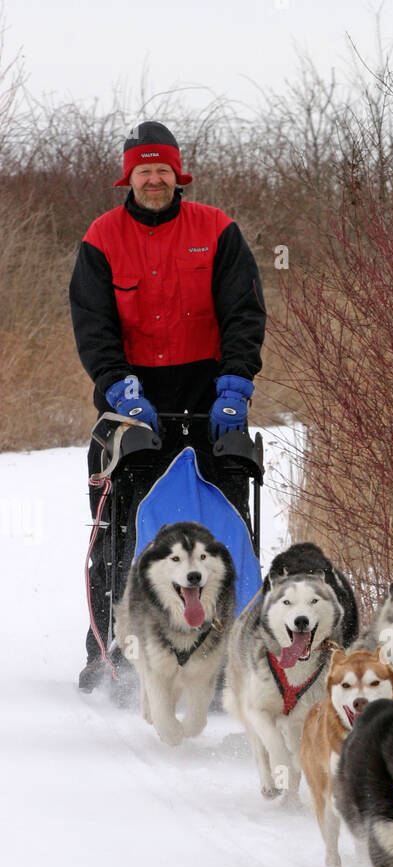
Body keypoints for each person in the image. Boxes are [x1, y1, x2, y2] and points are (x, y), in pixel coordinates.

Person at [69, 120, 266, 691]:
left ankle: (234, 661)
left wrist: (235, 385)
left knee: (226, 530)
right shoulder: (101, 239)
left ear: (177, 174)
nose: (153, 179)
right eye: (143, 170)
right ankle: (110, 656)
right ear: (128, 177)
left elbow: (244, 314)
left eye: (162, 169)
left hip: (211, 401)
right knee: (122, 529)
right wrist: (118, 387)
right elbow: (93, 326)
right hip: (132, 405)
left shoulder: (218, 230)